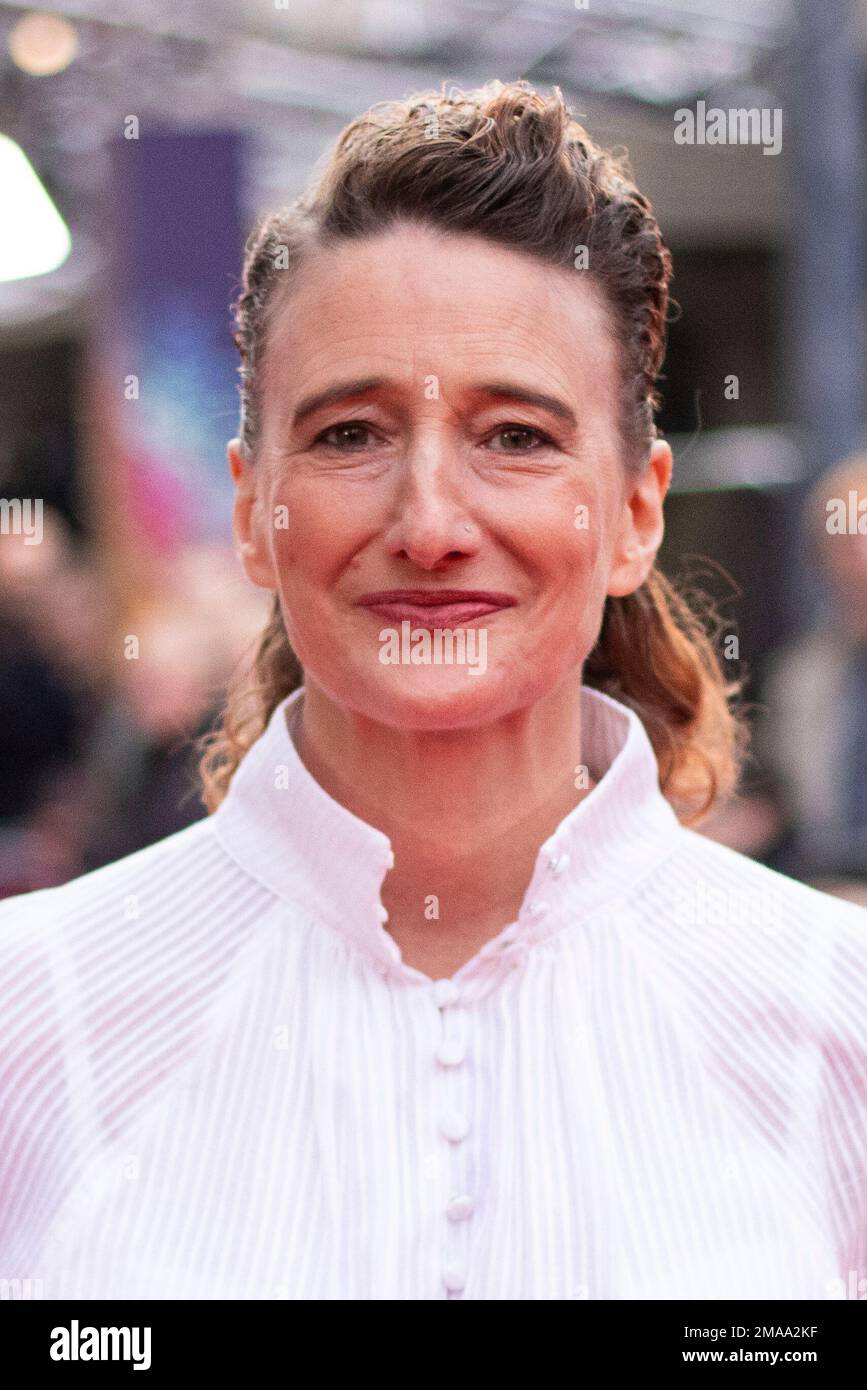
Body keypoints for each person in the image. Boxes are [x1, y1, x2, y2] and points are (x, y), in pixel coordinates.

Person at [1, 79, 865, 1302]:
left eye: (517, 435)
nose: (431, 521)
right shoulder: (31, 1018)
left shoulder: (838, 1018)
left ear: (634, 513)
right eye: (350, 434)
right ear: (255, 510)